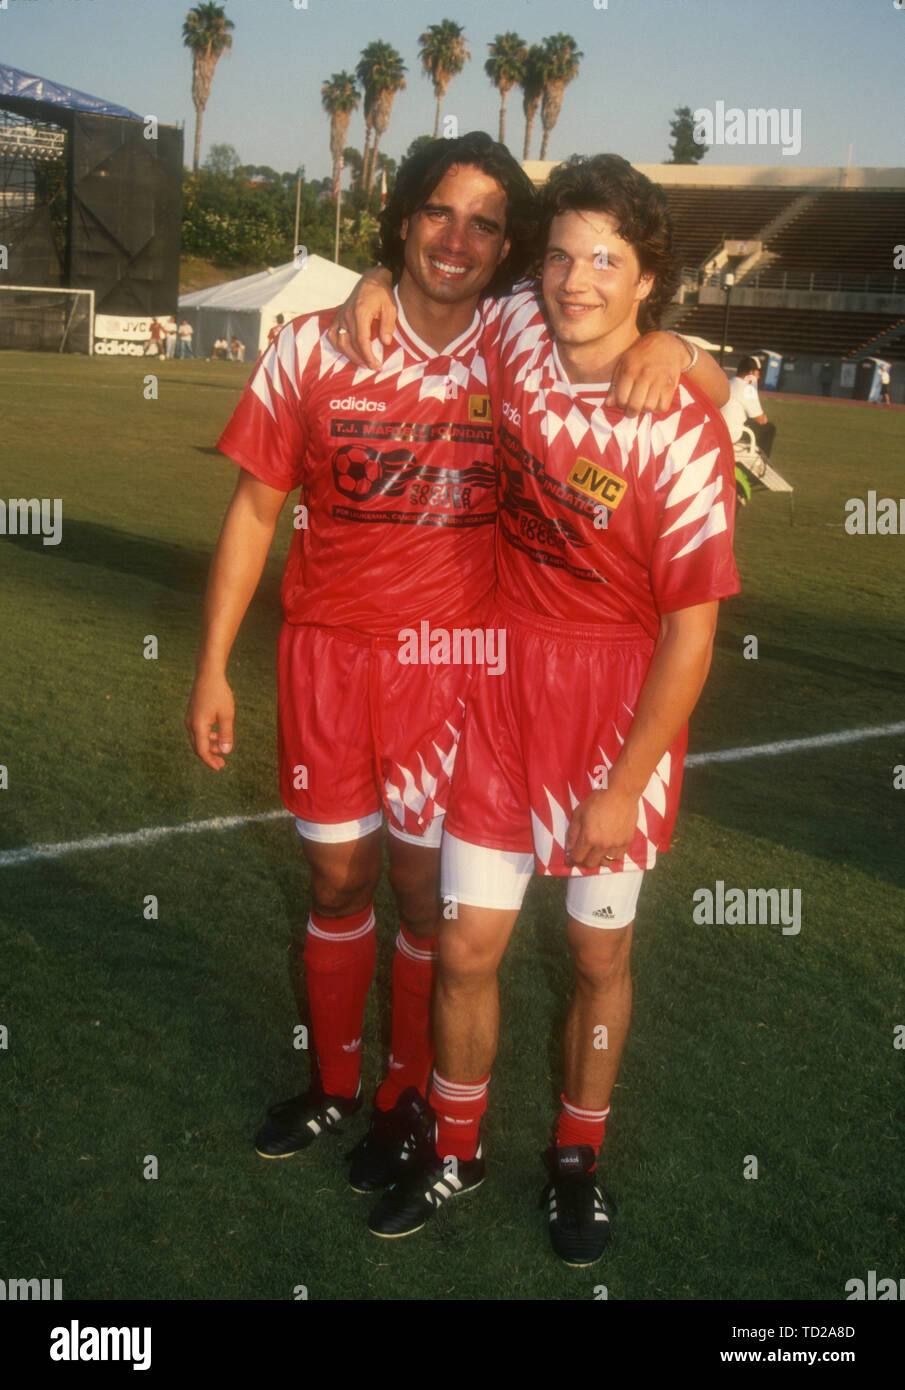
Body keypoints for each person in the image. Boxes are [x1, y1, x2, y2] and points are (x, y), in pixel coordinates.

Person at [185, 134, 728, 1205]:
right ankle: (342, 1086)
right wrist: (210, 666)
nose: (458, 239)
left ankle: (420, 1104)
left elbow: (646, 345)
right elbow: (254, 506)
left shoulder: (530, 337)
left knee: (443, 908)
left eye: (487, 224)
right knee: (344, 879)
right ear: (399, 220)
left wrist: (685, 352)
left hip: (466, 670)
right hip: (336, 659)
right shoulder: (344, 341)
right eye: (438, 215)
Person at [353, 154, 740, 1267]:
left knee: (593, 954)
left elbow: (691, 633)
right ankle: (459, 1145)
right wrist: (372, 279)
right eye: (561, 254)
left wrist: (620, 788)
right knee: (466, 946)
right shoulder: (518, 325)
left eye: (603, 262)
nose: (573, 281)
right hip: (499, 690)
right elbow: (439, 288)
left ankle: (576, 1160)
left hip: (613, 717)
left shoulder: (677, 430)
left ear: (645, 280)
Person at [722, 355, 776, 456]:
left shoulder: (727, 383)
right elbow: (761, 420)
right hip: (733, 434)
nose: (758, 377)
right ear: (750, 373)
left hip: (717, 431)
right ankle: (762, 461)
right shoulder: (747, 389)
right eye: (757, 374)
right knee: (769, 428)